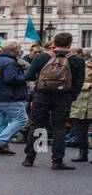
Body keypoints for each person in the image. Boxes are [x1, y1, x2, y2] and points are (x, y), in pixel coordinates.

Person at [24, 31, 85, 171]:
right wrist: (72, 96)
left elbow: (29, 75)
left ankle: (30, 158)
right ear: (70, 44)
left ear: (54, 43)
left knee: (37, 126)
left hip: (41, 96)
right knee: (59, 128)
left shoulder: (41, 57)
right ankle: (57, 161)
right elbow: (79, 82)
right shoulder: (76, 60)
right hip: (63, 97)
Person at [0, 39, 28, 156]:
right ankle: (1, 141)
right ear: (14, 50)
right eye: (19, 49)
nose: (20, 51)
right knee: (21, 119)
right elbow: (11, 79)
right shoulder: (10, 62)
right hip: (7, 96)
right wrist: (25, 76)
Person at [69, 56, 92, 163]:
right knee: (80, 132)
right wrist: (88, 85)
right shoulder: (81, 68)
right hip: (78, 105)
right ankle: (83, 153)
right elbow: (72, 83)